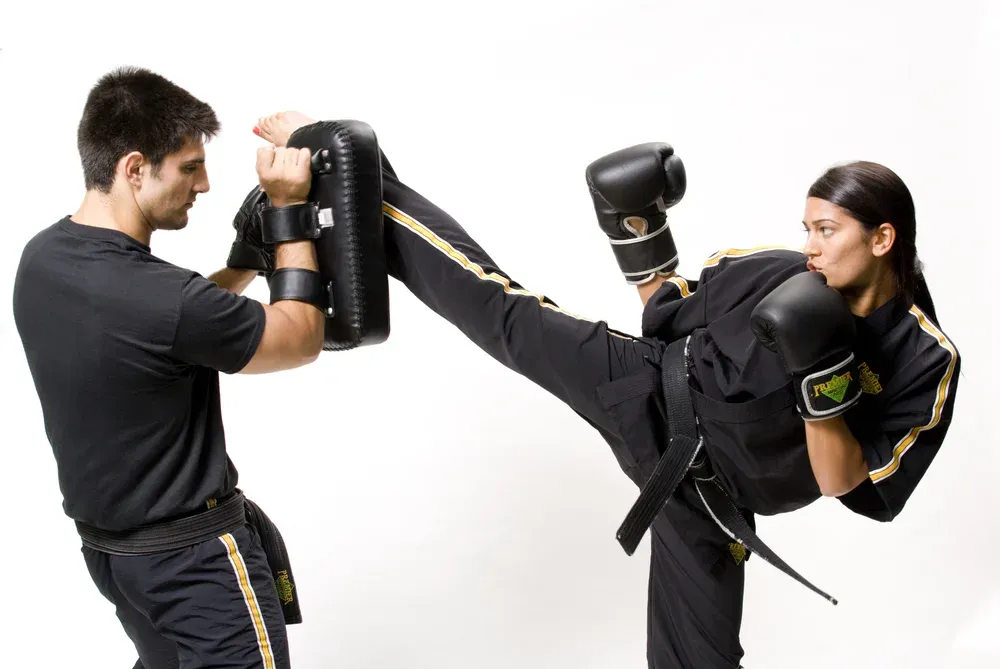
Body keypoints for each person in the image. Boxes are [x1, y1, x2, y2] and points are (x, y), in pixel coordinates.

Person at [253, 114, 960, 669]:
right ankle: (354, 175)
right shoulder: (776, 274)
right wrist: (639, 230)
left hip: (712, 503)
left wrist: (822, 381)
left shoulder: (925, 359)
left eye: (826, 231)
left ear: (881, 237)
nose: (809, 247)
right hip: (647, 387)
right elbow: (663, 313)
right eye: (806, 228)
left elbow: (841, 481)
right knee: (502, 309)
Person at [12, 69, 347, 669]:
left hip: (117, 560)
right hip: (196, 567)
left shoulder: (42, 260)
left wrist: (242, 265)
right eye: (190, 167)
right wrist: (289, 209)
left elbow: (165, 332)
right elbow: (298, 339)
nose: (206, 184)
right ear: (134, 168)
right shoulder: (165, 300)